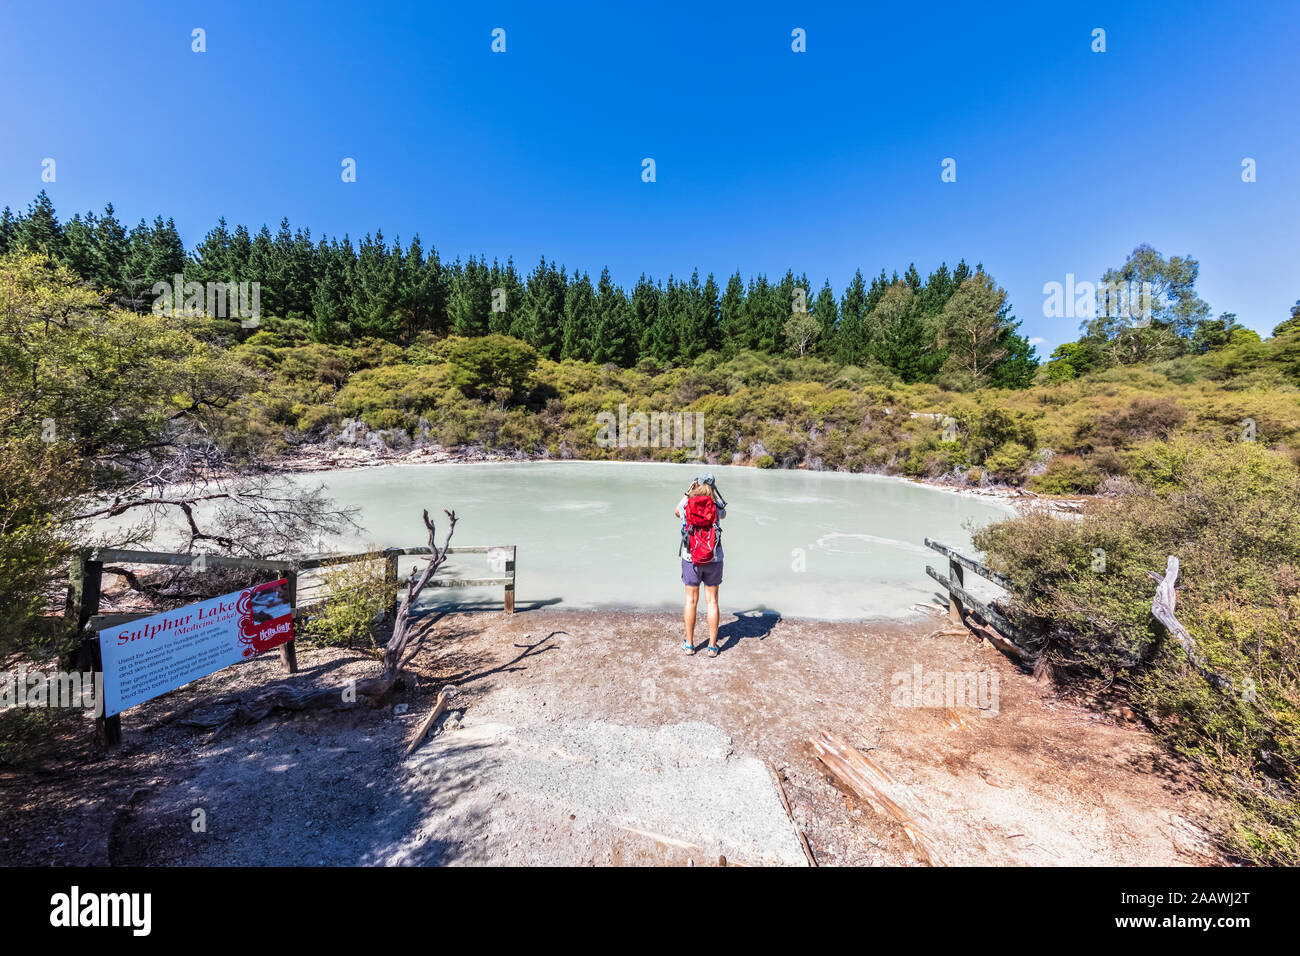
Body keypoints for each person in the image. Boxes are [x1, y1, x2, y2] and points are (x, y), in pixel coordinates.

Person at [676, 474, 726, 657]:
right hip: (713, 557)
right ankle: (712, 647)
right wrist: (714, 493)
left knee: (691, 601)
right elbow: (725, 514)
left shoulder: (687, 505)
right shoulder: (715, 506)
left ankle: (689, 645)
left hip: (691, 558)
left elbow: (676, 511)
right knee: (712, 601)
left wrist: (688, 491)